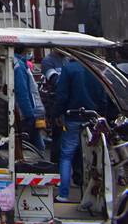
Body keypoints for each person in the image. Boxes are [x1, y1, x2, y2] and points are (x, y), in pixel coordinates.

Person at [53, 56, 110, 202]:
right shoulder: (97, 68)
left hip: (72, 117)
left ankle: (64, 194)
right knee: (94, 157)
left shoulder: (69, 68)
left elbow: (62, 95)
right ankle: (93, 196)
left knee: (66, 155)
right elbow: (103, 95)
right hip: (93, 118)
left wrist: (57, 114)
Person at [13, 45, 46, 153]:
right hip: (26, 113)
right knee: (38, 147)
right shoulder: (20, 66)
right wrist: (30, 114)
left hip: (19, 111)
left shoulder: (14, 62)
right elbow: (23, 92)